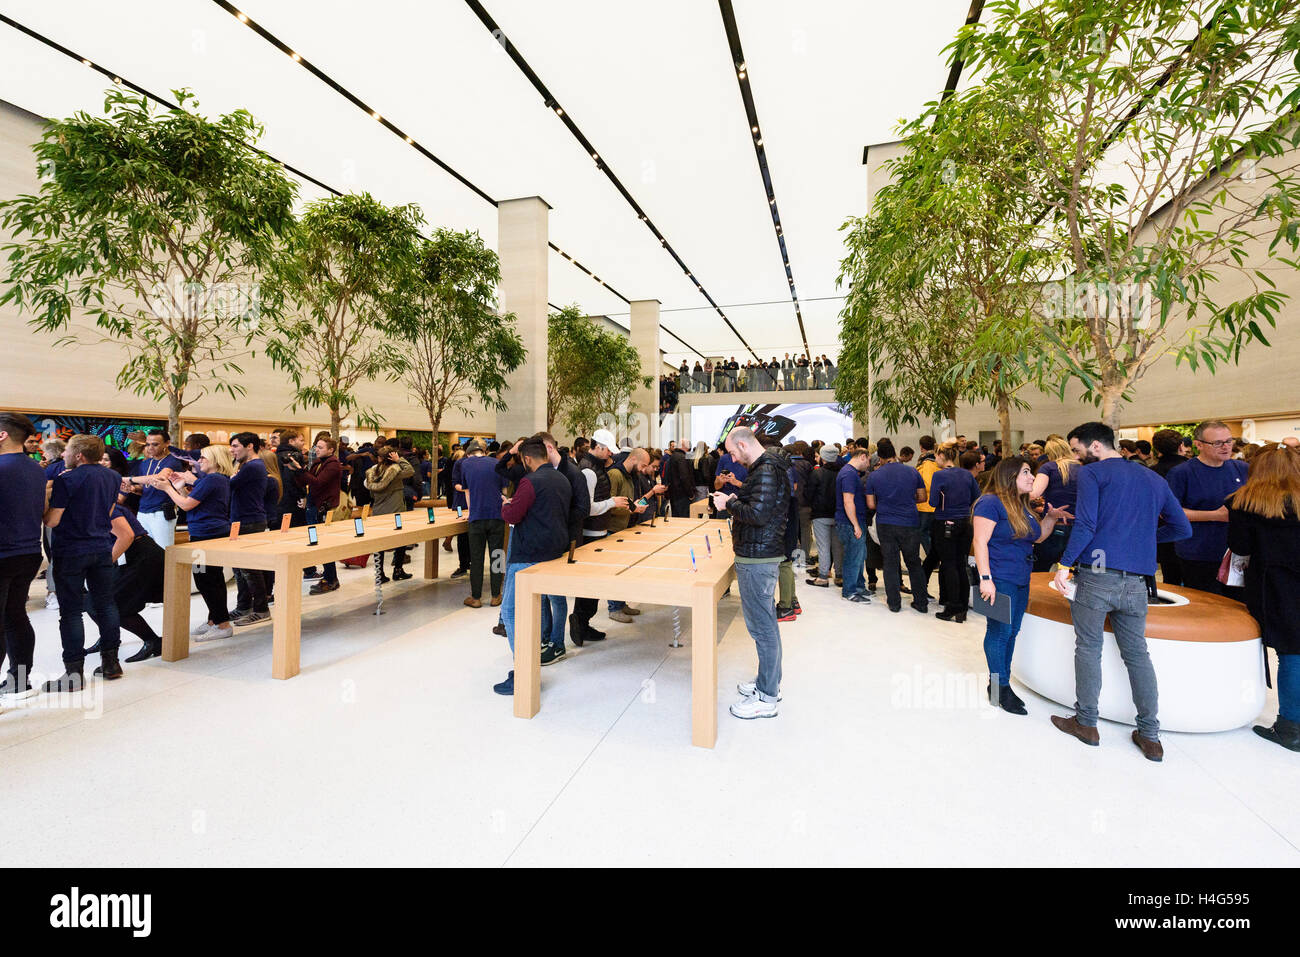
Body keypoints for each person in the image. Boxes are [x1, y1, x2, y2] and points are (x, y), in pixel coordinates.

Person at [1051, 422, 1192, 762]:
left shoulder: (1093, 475)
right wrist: (1140, 538)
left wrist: (1064, 564)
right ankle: (1150, 735)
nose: (1075, 456)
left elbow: (1085, 524)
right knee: (1138, 655)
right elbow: (1182, 527)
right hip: (1137, 582)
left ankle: (1086, 723)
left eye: (1077, 449)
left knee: (1088, 647)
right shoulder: (1155, 479)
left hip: (1097, 574)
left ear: (1095, 446)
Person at [973, 458, 1072, 714]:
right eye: (1026, 472)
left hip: (1020, 578)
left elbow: (1036, 536)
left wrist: (1050, 518)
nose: (1032, 478)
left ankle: (1001, 683)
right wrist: (986, 579)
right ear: (1009, 475)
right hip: (998, 578)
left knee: (1012, 631)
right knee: (999, 632)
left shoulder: (1021, 505)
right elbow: (980, 542)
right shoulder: (990, 502)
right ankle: (999, 686)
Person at [711, 428, 789, 719]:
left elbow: (758, 515)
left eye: (733, 452)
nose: (732, 458)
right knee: (766, 625)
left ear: (743, 444)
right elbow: (759, 507)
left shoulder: (766, 469)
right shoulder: (765, 468)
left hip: (758, 556)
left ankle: (767, 697)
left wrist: (728, 503)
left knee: (762, 629)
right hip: (759, 553)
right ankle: (769, 684)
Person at [1226, 447, 1300, 751]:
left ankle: (1290, 726)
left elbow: (1239, 546)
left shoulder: (1244, 501)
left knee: (1290, 651)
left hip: (1276, 582)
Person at [492, 439, 575, 694]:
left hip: (527, 555)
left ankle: (524, 672)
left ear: (527, 459)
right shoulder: (563, 480)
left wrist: (506, 505)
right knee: (542, 606)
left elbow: (513, 516)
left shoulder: (530, 482)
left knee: (510, 611)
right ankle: (535, 658)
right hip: (554, 552)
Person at [44, 434, 124, 689]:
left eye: (67, 450)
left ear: (78, 454)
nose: (64, 454)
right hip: (101, 547)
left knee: (70, 612)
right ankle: (112, 663)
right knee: (106, 605)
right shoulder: (113, 477)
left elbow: (52, 521)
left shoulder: (65, 480)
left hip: (71, 550)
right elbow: (109, 512)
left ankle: (74, 673)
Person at [152, 445, 235, 642]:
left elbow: (186, 504)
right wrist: (179, 488)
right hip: (208, 532)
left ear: (216, 460)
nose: (199, 461)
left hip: (207, 534)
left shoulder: (213, 479)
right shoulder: (215, 480)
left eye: (204, 458)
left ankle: (222, 624)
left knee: (207, 579)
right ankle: (215, 620)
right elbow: (192, 499)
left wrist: (167, 489)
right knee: (209, 578)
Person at [1167, 419, 1248, 597]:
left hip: (1236, 553)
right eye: (1217, 443)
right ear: (1198, 445)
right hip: (1199, 553)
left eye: (1228, 441)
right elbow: (1170, 513)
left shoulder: (1242, 469)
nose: (1225, 447)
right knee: (1206, 606)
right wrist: (1215, 515)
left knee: (1238, 607)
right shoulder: (1182, 473)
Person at [0, 413, 47, 701]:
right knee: (15, 615)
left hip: (3, 553)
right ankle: (19, 680)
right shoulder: (35, 470)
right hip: (28, 552)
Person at [570, 430, 631, 643]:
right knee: (589, 584)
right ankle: (580, 622)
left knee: (593, 583)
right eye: (608, 451)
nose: (610, 456)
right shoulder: (589, 471)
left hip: (597, 532)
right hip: (590, 535)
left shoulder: (594, 467)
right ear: (600, 448)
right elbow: (586, 508)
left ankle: (583, 623)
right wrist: (612, 502)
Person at [865, 438, 928, 613]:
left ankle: (894, 603)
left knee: (890, 563)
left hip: (886, 522)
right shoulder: (912, 472)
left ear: (880, 457)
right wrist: (906, 500)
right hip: (910, 521)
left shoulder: (874, 476)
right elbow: (922, 497)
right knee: (914, 562)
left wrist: (886, 503)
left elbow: (870, 504)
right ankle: (921, 602)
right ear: (894, 453)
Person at [929, 447, 981, 623]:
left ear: (942, 456)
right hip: (965, 523)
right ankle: (962, 607)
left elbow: (933, 501)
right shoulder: (967, 475)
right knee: (961, 563)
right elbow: (977, 496)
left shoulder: (939, 475)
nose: (935, 459)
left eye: (936, 455)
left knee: (949, 564)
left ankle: (952, 605)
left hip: (945, 522)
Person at [456, 439, 507, 608]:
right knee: (497, 555)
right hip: (497, 516)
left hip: (477, 517)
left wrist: (470, 513)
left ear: (469, 454)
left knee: (476, 558)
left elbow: (468, 491)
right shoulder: (497, 463)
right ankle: (496, 595)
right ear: (484, 452)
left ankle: (476, 598)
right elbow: (504, 492)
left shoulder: (466, 464)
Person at [290, 435, 343, 595]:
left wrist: (300, 470)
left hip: (323, 509)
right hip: (314, 507)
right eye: (316, 447)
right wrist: (298, 472)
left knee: (324, 544)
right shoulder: (319, 462)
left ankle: (331, 579)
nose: (316, 450)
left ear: (331, 449)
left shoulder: (333, 464)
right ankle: (328, 577)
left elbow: (318, 482)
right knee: (317, 542)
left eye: (320, 447)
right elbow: (308, 481)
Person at [227, 433, 271, 626]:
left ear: (250, 446)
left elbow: (229, 484)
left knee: (250, 569)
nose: (232, 450)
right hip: (241, 520)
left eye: (236, 446)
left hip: (250, 521)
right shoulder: (246, 466)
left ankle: (261, 609)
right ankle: (243, 606)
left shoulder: (253, 466)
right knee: (239, 569)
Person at [365, 444, 416, 582]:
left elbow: (371, 492)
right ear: (391, 457)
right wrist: (399, 459)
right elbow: (410, 470)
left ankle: (379, 573)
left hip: (378, 511)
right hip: (396, 512)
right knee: (401, 540)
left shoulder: (372, 472)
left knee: (379, 544)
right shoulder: (396, 472)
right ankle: (398, 570)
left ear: (379, 458)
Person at [1030, 437, 1080, 572]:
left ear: (1049, 453)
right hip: (1078, 528)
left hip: (1053, 526)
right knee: (1071, 573)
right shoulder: (1082, 468)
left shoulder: (1048, 467)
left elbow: (1034, 493)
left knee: (1039, 569)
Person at [835, 447, 872, 603]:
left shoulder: (849, 473)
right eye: (869, 460)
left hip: (852, 521)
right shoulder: (849, 474)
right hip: (849, 523)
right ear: (863, 457)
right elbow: (848, 501)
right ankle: (850, 591)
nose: (869, 464)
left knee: (859, 555)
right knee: (853, 556)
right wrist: (856, 525)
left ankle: (858, 586)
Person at [806, 443, 844, 588]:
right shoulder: (842, 472)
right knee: (838, 546)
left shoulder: (817, 473)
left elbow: (809, 494)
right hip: (838, 514)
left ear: (822, 457)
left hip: (820, 514)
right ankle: (839, 576)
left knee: (823, 547)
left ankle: (823, 577)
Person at [665, 441, 695, 519]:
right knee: (684, 519)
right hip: (682, 494)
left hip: (673, 493)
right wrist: (690, 494)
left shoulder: (672, 456)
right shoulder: (682, 457)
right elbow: (684, 477)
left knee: (676, 518)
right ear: (684, 446)